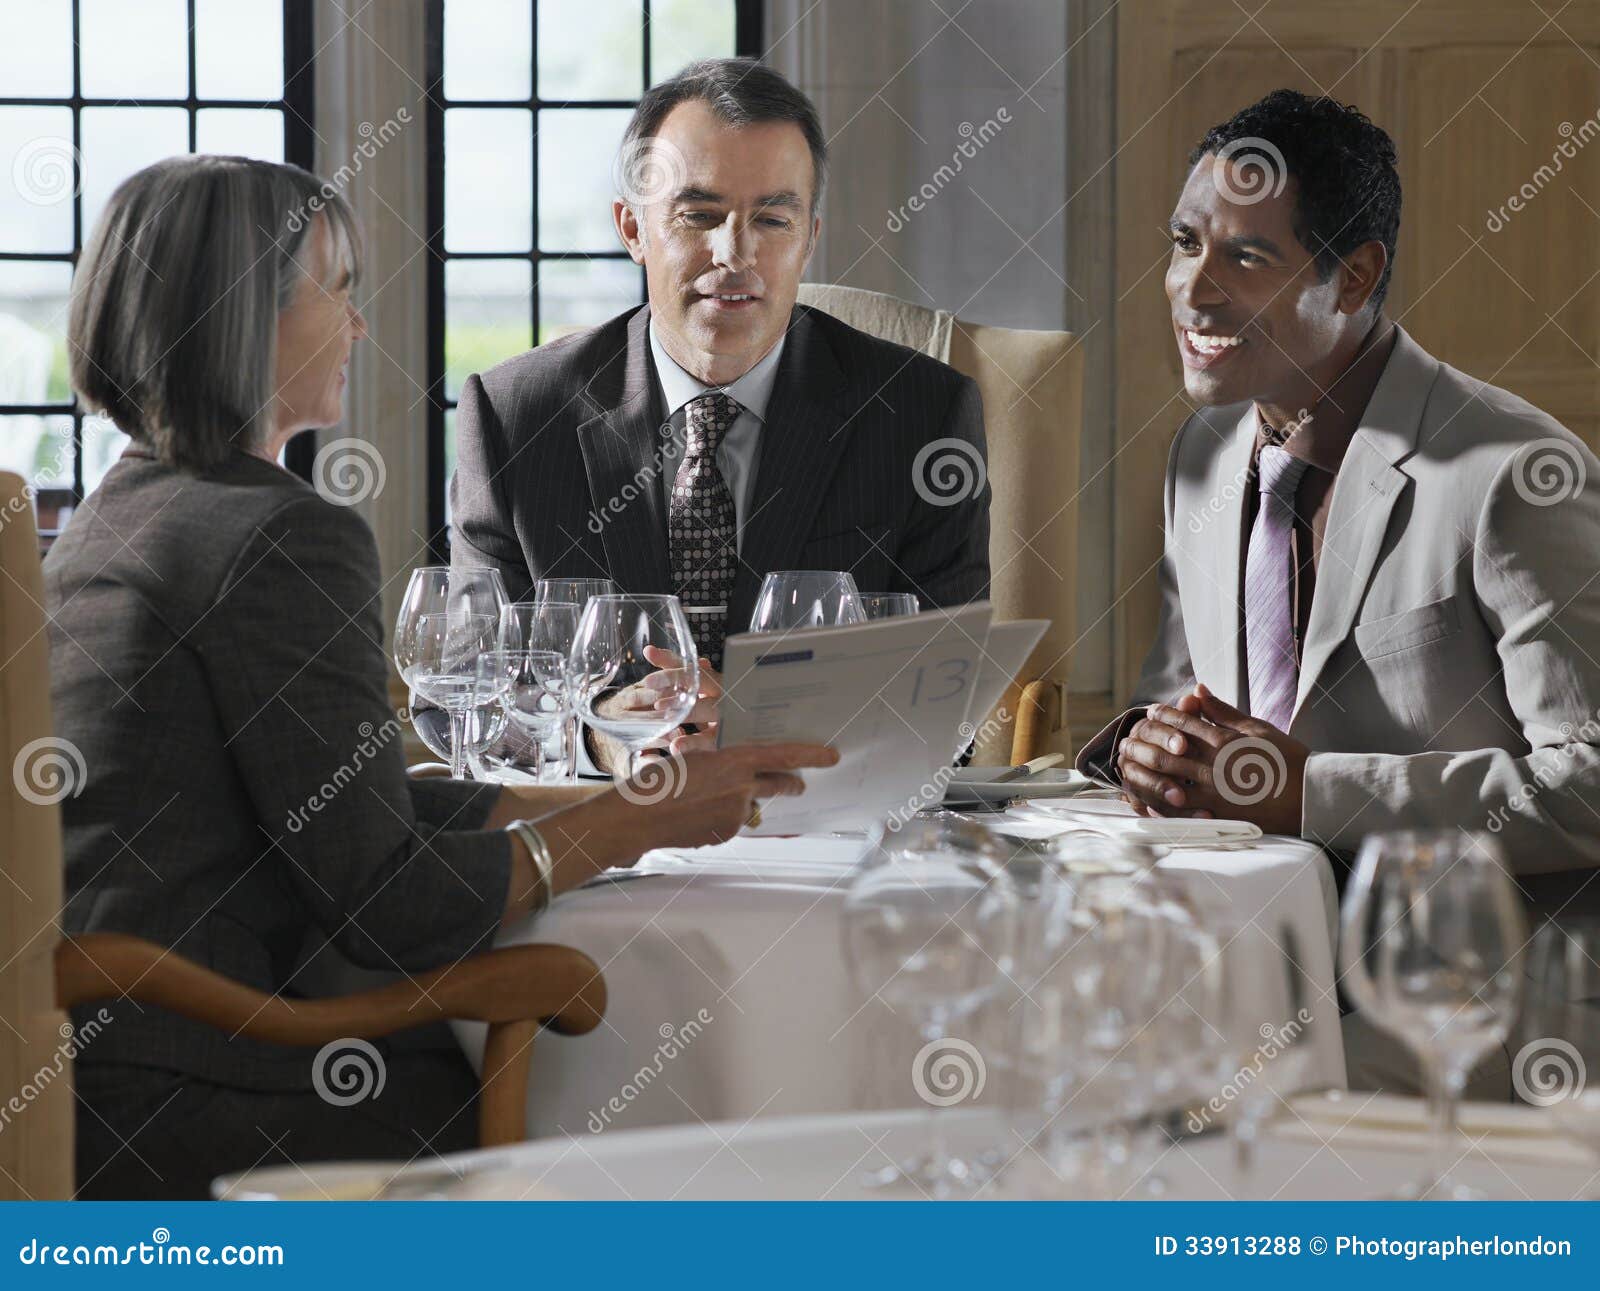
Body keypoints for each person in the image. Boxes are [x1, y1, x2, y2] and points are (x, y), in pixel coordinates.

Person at [44, 154, 837, 1199]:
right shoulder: (277, 536)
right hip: (200, 1099)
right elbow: (389, 906)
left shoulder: (111, 520)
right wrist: (635, 821)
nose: (358, 325)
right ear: (246, 318)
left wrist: (617, 797)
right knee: (642, 1140)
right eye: (338, 291)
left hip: (80, 1079)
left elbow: (319, 811)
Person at [1073, 90, 1600, 1094]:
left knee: (1176, 1107)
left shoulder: (1512, 475)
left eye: (1245, 257)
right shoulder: (1203, 452)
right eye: (1184, 244)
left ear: (1352, 276)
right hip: (1247, 962)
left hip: (1478, 1001)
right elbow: (1182, 696)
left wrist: (1309, 792)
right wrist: (1144, 744)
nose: (1193, 290)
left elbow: (1592, 780)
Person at [448, 57, 991, 682]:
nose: (735, 254)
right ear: (633, 229)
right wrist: (603, 725)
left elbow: (944, 690)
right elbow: (464, 694)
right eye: (700, 216)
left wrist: (750, 722)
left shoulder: (922, 416)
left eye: (773, 220)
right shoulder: (513, 418)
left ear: (809, 240)